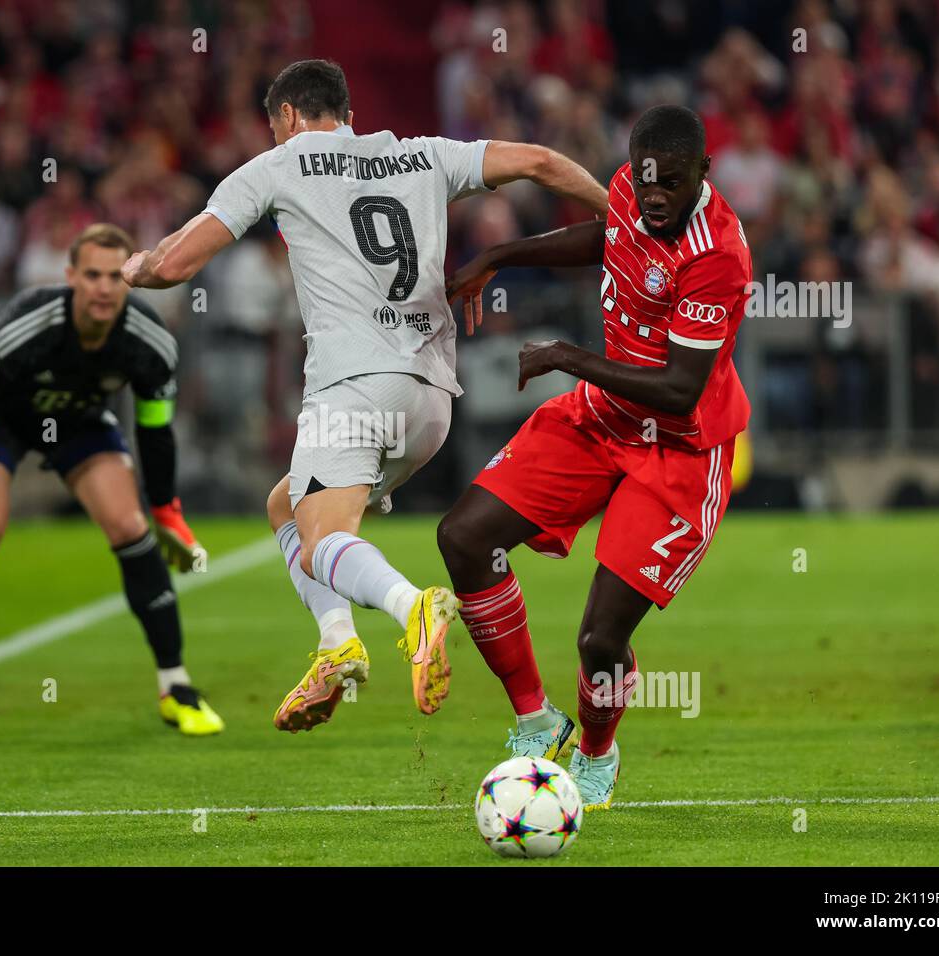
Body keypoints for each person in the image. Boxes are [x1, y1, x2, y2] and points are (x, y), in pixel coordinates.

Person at [121, 59, 607, 733]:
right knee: (286, 505)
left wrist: (130, 269)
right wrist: (620, 218)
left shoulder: (277, 165)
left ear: (287, 118)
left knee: (320, 544)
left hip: (353, 387)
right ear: (348, 116)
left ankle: (413, 607)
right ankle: (335, 645)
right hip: (432, 400)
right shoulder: (423, 155)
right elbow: (542, 162)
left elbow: (173, 265)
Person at [439, 106, 752, 810]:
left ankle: (597, 752)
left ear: (704, 172)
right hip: (601, 419)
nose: (654, 198)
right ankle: (535, 718)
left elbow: (678, 390)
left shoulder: (719, 254)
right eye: (645, 186)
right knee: (463, 537)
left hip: (678, 453)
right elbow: (608, 238)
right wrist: (499, 255)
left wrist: (564, 356)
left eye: (672, 184)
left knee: (599, 638)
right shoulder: (632, 192)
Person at [0, 223, 220, 745]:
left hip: (79, 425)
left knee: (129, 525)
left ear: (130, 279)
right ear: (71, 277)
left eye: (116, 276)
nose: (104, 287)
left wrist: (165, 510)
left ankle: (176, 689)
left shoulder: (150, 343)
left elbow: (154, 431)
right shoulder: (30, 325)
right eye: (92, 275)